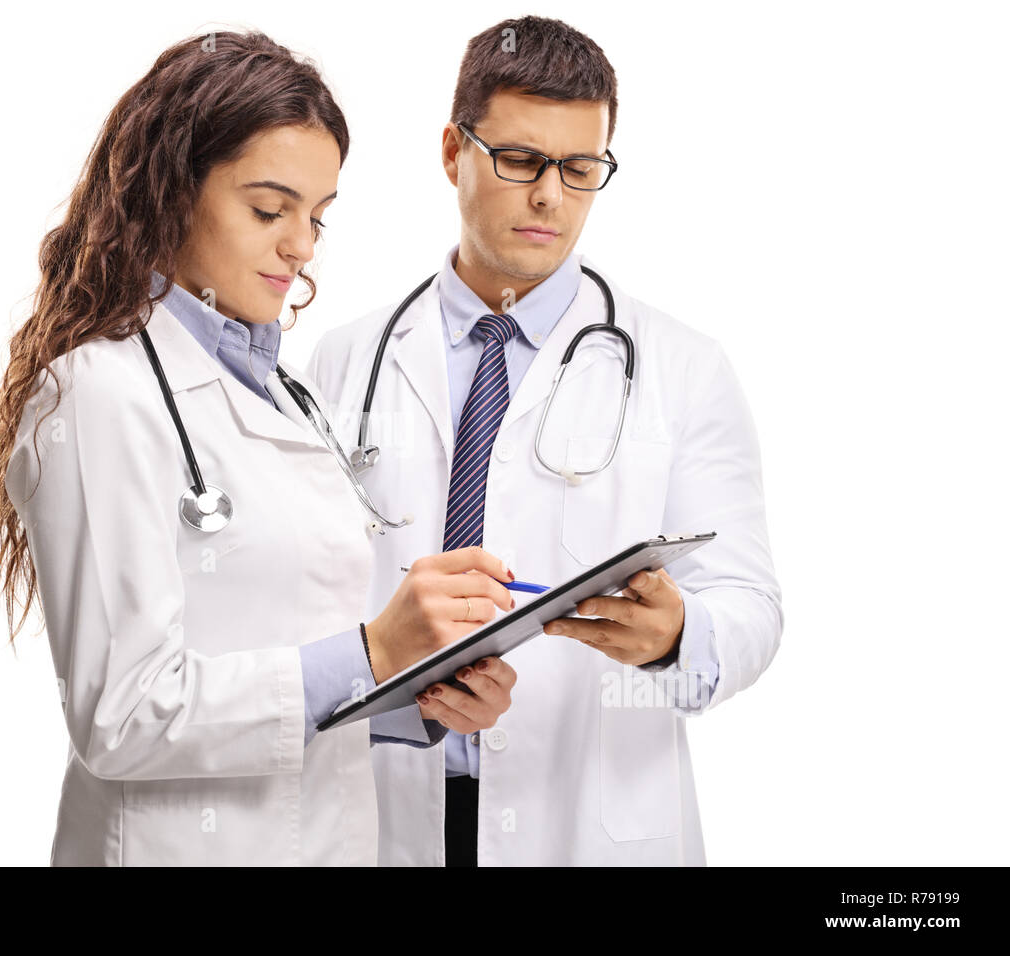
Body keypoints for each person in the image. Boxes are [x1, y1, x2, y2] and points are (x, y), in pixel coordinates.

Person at [0, 29, 518, 866]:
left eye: (317, 215)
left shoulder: (286, 394)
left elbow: (289, 646)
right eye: (269, 209)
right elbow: (122, 715)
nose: (301, 245)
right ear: (172, 193)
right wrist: (373, 651)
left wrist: (416, 696)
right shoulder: (97, 394)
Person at [306, 15, 783, 866]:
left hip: (586, 823)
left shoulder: (685, 368)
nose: (550, 197)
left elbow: (751, 609)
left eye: (580, 167)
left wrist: (678, 636)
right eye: (521, 160)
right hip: (386, 817)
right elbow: (298, 608)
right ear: (453, 151)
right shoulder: (345, 362)